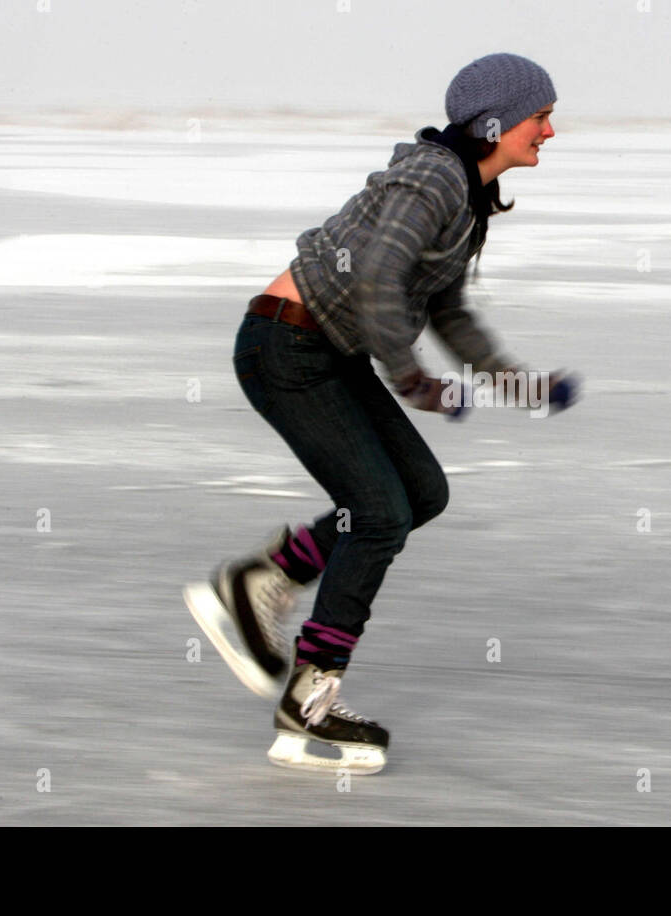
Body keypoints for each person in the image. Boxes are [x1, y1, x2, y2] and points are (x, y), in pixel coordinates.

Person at [184, 52, 580, 774]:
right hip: (286, 345)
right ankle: (308, 708)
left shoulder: (465, 200)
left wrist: (518, 384)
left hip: (325, 352)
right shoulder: (432, 177)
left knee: (419, 495)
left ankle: (264, 580)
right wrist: (411, 379)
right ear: (495, 122)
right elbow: (375, 277)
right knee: (378, 512)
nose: (551, 131)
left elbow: (445, 310)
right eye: (541, 116)